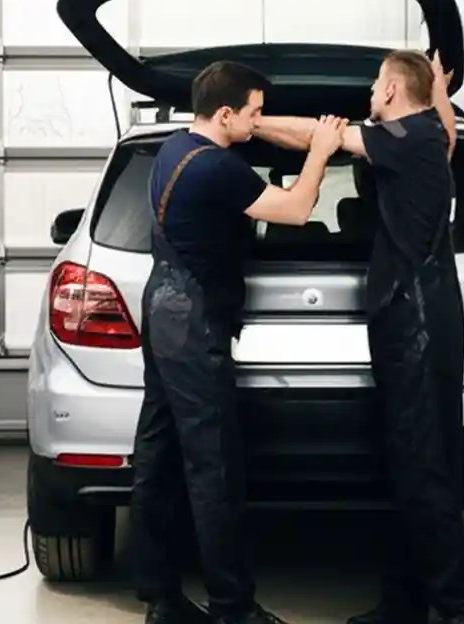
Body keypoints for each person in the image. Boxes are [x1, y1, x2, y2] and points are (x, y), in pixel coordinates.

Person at [253, 49, 464, 624]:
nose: (367, 97)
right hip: (428, 317)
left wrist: (251, 122)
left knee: (422, 471)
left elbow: (316, 137)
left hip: (412, 322)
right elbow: (450, 131)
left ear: (389, 92)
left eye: (372, 88)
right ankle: (404, 606)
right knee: (414, 465)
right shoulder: (431, 135)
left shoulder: (403, 138)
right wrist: (437, 88)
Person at [130, 60, 346, 624]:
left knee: (157, 453)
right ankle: (233, 607)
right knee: (213, 468)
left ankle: (160, 596)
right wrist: (320, 148)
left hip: (162, 310)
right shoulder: (220, 170)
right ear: (224, 114)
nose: (259, 120)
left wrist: (268, 129)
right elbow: (297, 210)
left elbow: (242, 154)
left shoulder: (173, 149)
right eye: (252, 112)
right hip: (195, 320)